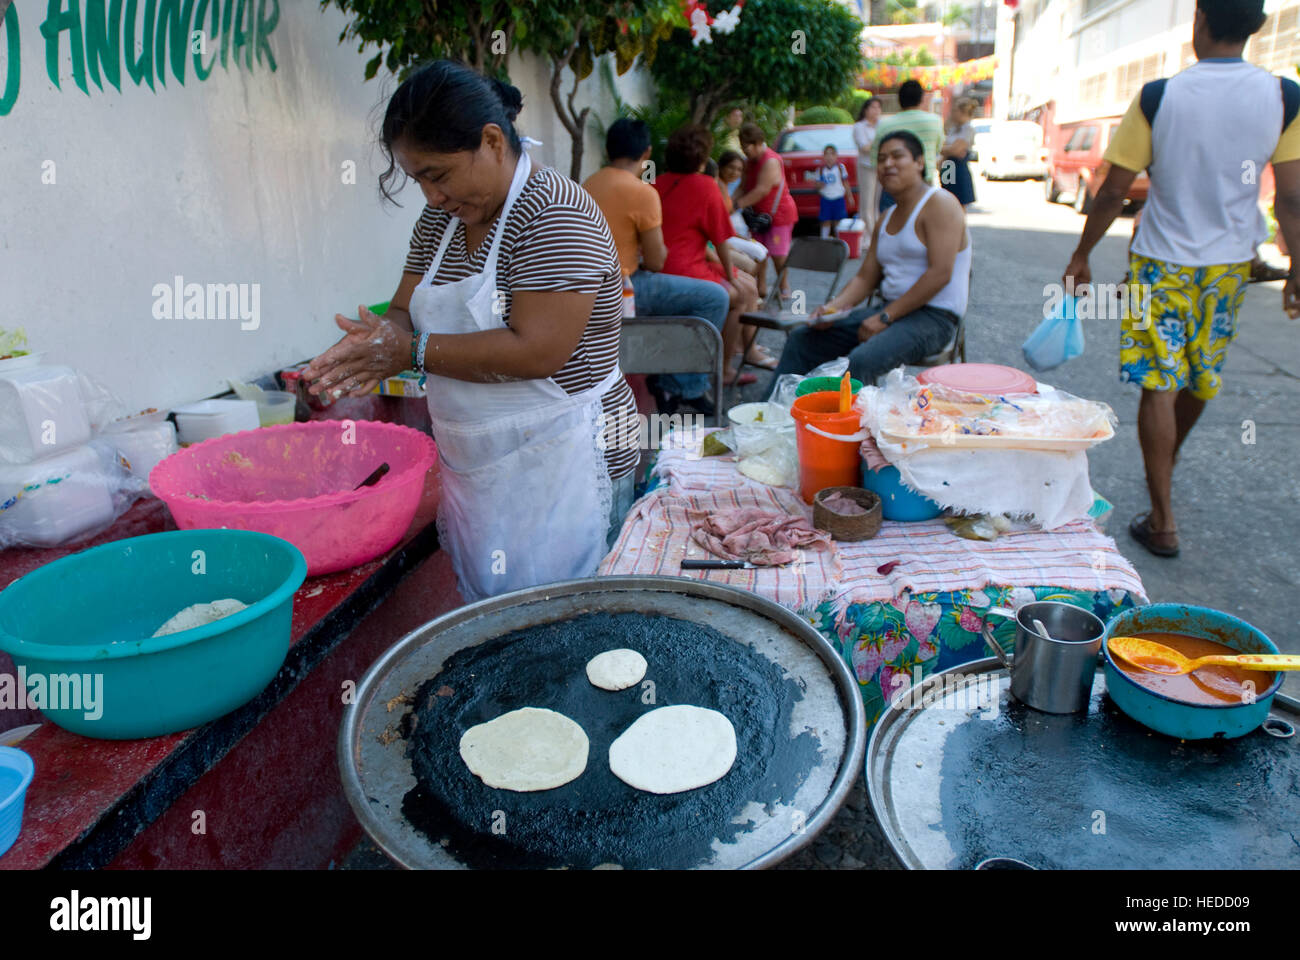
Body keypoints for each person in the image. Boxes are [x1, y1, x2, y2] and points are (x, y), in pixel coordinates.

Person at [302, 61, 637, 601]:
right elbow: (404, 310)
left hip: (567, 462)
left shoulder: (555, 215)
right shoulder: (443, 220)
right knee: (495, 628)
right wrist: (372, 345)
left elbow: (537, 351)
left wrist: (408, 351)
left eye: (438, 174)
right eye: (418, 180)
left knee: (573, 633)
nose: (431, 196)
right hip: (480, 470)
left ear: (491, 141)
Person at [1063, 0, 1300, 559]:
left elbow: (1115, 189)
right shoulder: (1284, 97)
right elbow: (1291, 196)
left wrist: (1081, 256)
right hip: (1228, 270)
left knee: (1158, 383)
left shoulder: (1159, 96)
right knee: (1199, 377)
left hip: (1160, 264)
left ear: (1198, 19)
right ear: (1256, 27)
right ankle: (1163, 476)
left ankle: (1163, 518)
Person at [772, 131, 971, 386]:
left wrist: (885, 317)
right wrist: (833, 308)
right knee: (803, 338)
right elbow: (866, 277)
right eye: (882, 158)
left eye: (897, 156)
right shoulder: (886, 218)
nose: (887, 164)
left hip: (934, 318)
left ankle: (854, 423)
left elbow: (940, 273)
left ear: (920, 162)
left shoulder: (940, 204)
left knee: (861, 361)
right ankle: (774, 418)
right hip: (889, 309)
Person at [583, 118, 730, 417]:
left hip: (588, 287)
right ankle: (683, 385)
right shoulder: (641, 192)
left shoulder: (588, 183)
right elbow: (656, 261)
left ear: (609, 149)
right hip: (625, 285)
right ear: (646, 152)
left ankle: (664, 378)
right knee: (714, 297)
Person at [654, 124, 768, 384]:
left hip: (661, 269)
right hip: (688, 270)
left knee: (747, 285)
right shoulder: (706, 186)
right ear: (702, 159)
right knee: (742, 294)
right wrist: (731, 274)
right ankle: (725, 368)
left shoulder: (656, 183)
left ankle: (745, 350)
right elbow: (720, 241)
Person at [734, 122, 800, 300]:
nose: (745, 152)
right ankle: (760, 288)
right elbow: (743, 186)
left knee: (778, 255)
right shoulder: (749, 162)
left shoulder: (770, 161)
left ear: (757, 144)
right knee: (758, 253)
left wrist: (736, 205)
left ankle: (784, 288)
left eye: (746, 148)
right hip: (758, 217)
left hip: (778, 215)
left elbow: (761, 190)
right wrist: (727, 202)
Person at [874, 80, 945, 211]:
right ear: (922, 98)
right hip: (924, 183)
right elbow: (939, 149)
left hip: (892, 185)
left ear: (899, 99)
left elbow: (875, 159)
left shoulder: (885, 125)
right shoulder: (934, 122)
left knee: (891, 228)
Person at [853, 97, 883, 236]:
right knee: (866, 203)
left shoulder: (881, 125)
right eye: (873, 107)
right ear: (866, 110)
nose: (876, 110)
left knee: (876, 203)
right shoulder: (859, 126)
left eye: (878, 107)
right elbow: (864, 147)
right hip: (866, 167)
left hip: (879, 166)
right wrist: (877, 142)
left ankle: (876, 232)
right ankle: (869, 236)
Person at [805, 144, 849, 239]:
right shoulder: (820, 170)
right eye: (827, 154)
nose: (829, 157)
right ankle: (824, 240)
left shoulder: (840, 168)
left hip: (838, 198)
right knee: (826, 221)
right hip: (826, 199)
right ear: (823, 156)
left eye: (832, 154)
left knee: (838, 221)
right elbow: (816, 185)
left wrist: (850, 197)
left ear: (836, 156)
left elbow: (845, 182)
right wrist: (819, 185)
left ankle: (840, 240)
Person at [940, 97, 978, 209]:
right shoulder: (953, 128)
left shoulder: (968, 129)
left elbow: (956, 151)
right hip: (947, 167)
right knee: (946, 201)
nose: (953, 114)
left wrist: (946, 149)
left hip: (958, 168)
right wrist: (948, 149)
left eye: (955, 111)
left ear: (962, 112)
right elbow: (947, 148)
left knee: (958, 204)